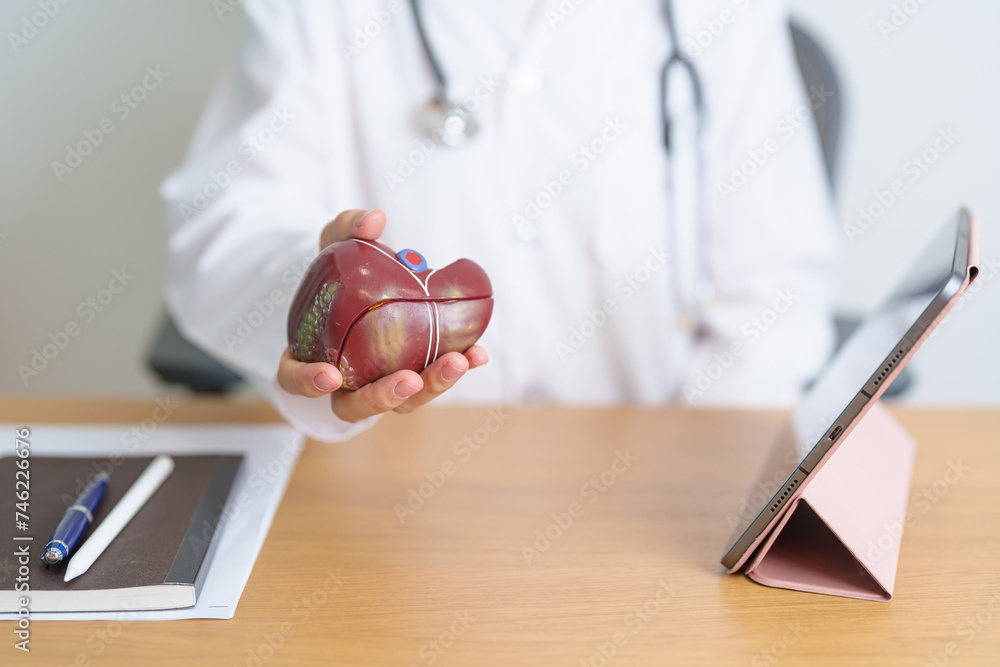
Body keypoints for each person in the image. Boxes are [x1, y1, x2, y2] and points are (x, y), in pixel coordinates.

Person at [161, 0, 838, 442]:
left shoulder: (726, 17)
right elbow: (222, 227)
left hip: (647, 498)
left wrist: (707, 485)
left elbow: (776, 287)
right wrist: (315, 293)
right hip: (381, 498)